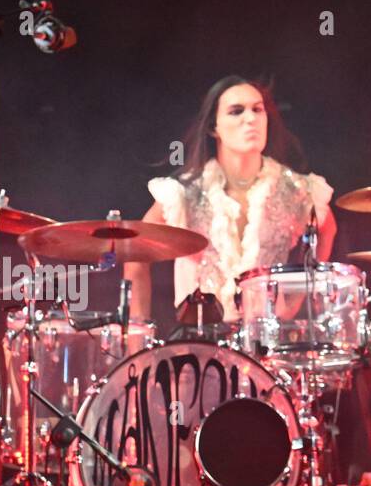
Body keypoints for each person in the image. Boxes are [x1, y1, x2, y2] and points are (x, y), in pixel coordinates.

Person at [124, 75, 337, 324]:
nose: (251, 119)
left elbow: (327, 229)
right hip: (201, 349)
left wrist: (298, 296)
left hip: (268, 345)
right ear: (214, 127)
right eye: (236, 111)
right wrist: (137, 339)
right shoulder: (185, 193)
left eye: (258, 109)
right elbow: (135, 253)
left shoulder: (296, 189)